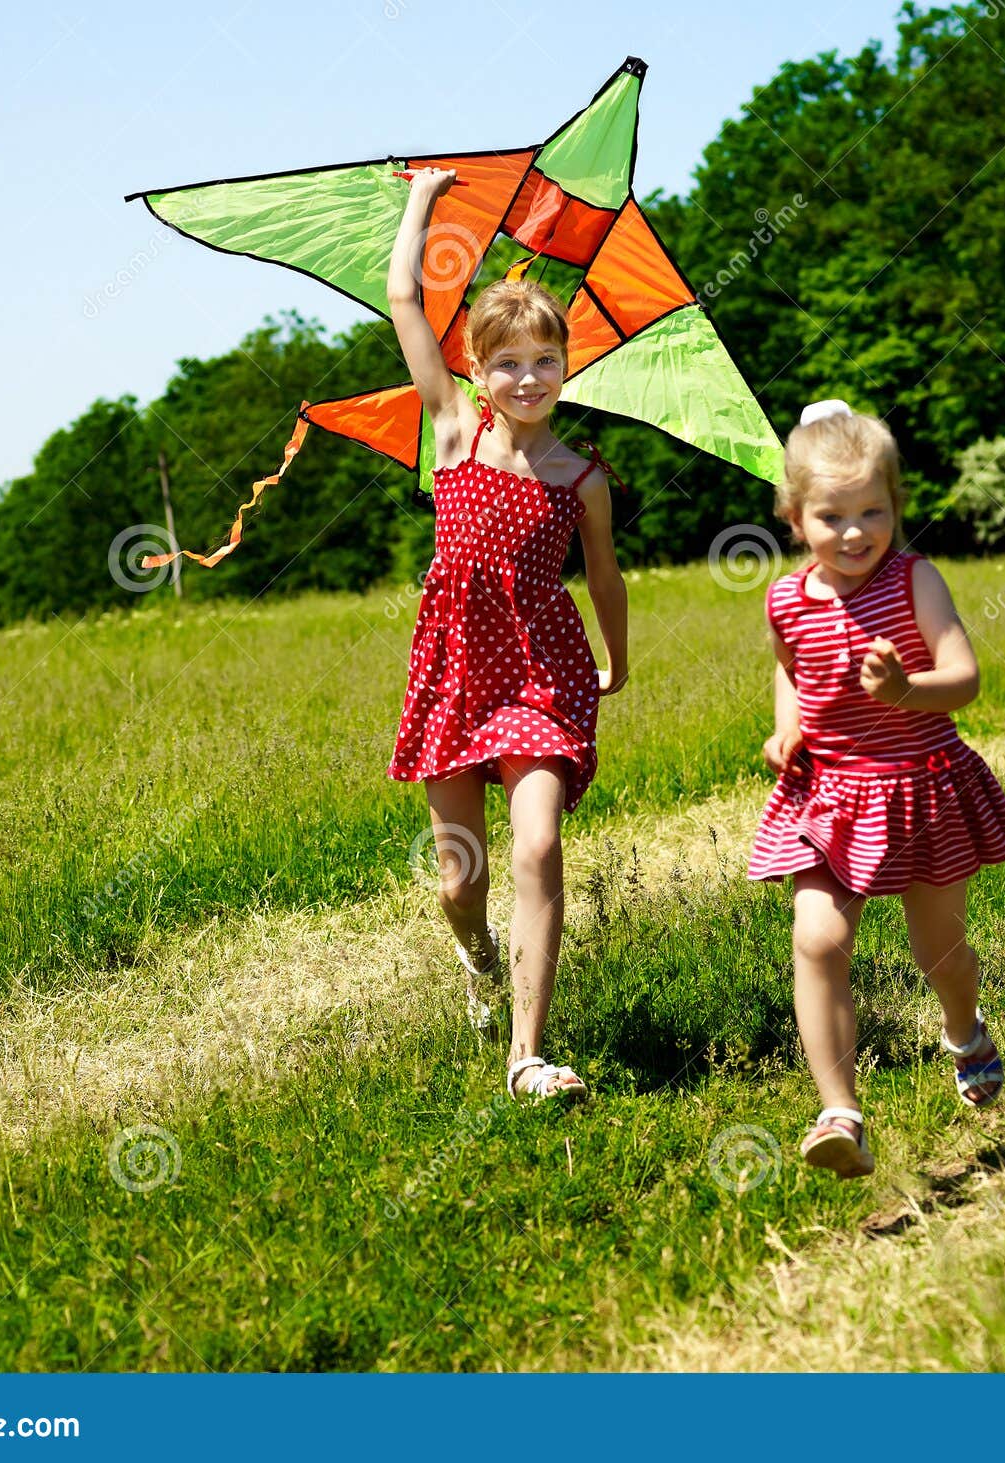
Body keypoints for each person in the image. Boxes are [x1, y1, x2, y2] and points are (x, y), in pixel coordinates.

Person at [385, 166, 629, 1104]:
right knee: (461, 878)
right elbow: (405, 295)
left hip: (543, 672)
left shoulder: (584, 477)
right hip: (454, 669)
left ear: (567, 365)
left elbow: (602, 575)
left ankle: (527, 1052)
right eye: (508, 364)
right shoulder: (451, 430)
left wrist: (618, 656)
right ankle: (477, 956)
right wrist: (426, 201)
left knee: (536, 849)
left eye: (545, 361)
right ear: (479, 373)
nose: (528, 379)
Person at [747, 400, 1005, 1177]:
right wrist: (788, 727)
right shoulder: (785, 600)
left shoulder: (914, 580)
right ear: (795, 517)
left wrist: (906, 689)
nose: (857, 530)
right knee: (818, 939)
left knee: (941, 952)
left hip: (920, 784)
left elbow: (963, 677)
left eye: (875, 510)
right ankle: (841, 1110)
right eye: (833, 515)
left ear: (897, 505)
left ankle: (963, 1028)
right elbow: (790, 669)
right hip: (831, 793)